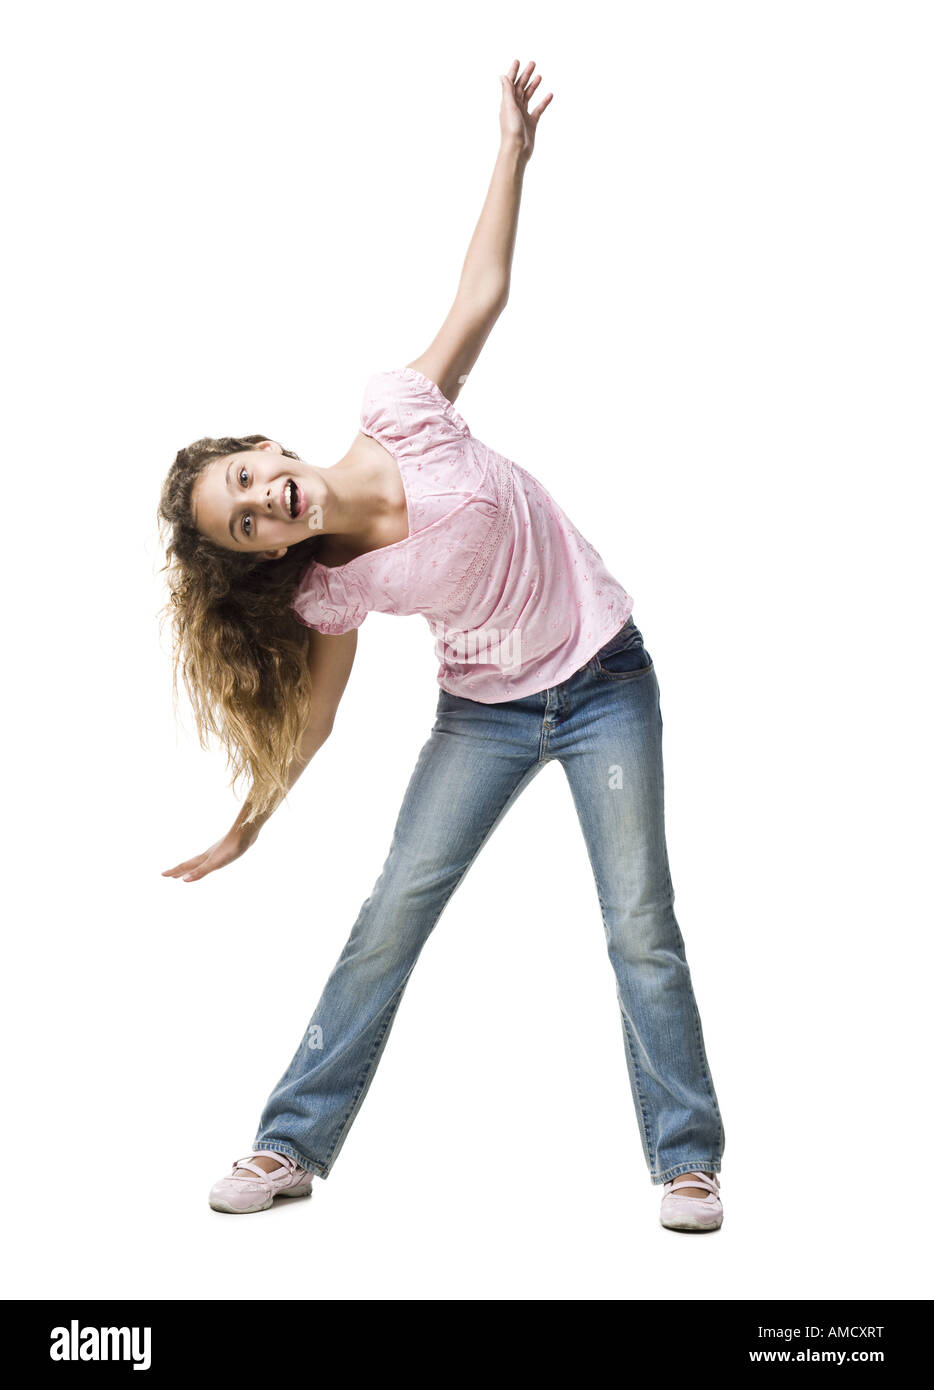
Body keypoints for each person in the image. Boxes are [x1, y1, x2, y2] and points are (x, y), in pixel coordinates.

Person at [158, 60, 725, 1233]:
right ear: (261, 555)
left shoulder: (399, 408)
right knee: (391, 915)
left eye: (250, 479)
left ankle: (685, 1159)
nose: (266, 503)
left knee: (638, 920)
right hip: (487, 713)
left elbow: (483, 293)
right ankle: (287, 1145)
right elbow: (314, 724)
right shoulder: (329, 591)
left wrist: (513, 146)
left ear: (268, 444)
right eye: (246, 522)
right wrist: (246, 823)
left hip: (605, 676)